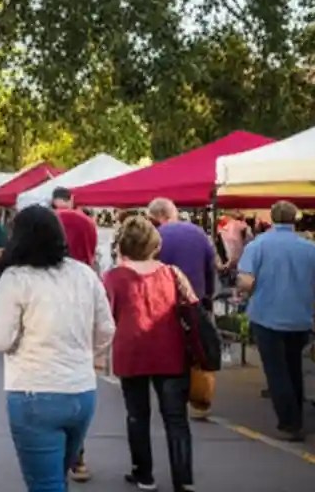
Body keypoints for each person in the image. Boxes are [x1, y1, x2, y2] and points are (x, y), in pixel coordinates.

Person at [0, 205, 115, 492]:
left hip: (34, 391)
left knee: (45, 484)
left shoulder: (17, 279)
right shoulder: (84, 274)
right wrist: (87, 354)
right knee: (57, 478)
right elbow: (106, 328)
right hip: (81, 391)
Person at [105, 215, 196, 492]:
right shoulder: (172, 273)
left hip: (131, 352)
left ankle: (143, 474)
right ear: (156, 246)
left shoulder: (113, 277)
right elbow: (191, 306)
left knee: (137, 414)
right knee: (176, 418)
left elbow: (106, 316)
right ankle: (183, 480)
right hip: (171, 352)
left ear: (123, 246)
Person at [237, 200, 315, 442]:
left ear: (272, 217)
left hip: (267, 315)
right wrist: (313, 289)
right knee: (293, 368)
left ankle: (290, 423)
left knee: (277, 371)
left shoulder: (258, 245)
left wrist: (251, 289)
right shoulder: (310, 248)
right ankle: (297, 417)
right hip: (300, 316)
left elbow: (246, 282)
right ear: (294, 219)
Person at [146, 197, 218, 420]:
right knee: (197, 349)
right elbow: (210, 265)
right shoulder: (198, 234)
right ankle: (199, 399)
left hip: (166, 304)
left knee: (172, 350)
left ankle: (173, 395)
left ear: (158, 216)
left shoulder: (155, 238)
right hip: (196, 301)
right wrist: (207, 295)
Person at [51, 186, 98, 481]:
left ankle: (56, 451)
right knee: (78, 379)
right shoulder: (86, 223)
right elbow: (91, 257)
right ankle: (78, 454)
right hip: (82, 300)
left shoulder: (47, 221)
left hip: (50, 296)